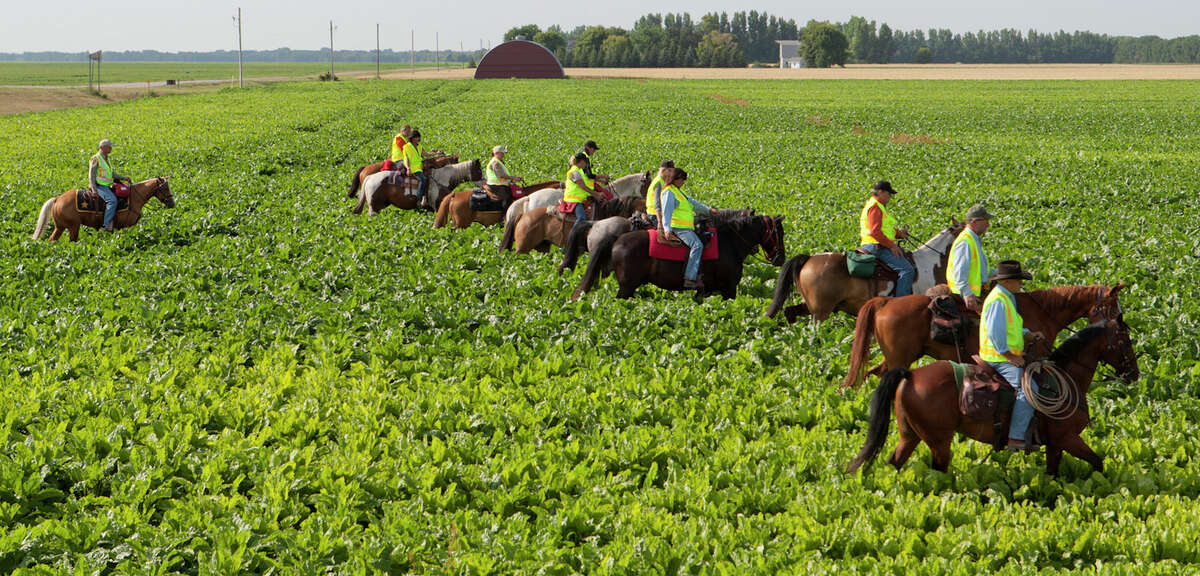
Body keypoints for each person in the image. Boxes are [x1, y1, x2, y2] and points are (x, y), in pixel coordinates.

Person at [979, 260, 1043, 451]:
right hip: (998, 357)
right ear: (1007, 282)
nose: (1021, 284)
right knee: (1029, 389)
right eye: (1018, 280)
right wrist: (1009, 356)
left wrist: (1028, 334)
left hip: (1005, 354)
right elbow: (995, 333)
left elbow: (1010, 326)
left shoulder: (1006, 297)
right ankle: (1016, 438)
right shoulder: (998, 300)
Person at [858, 180, 914, 296]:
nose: (890, 197)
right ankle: (901, 303)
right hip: (876, 246)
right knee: (907, 270)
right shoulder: (875, 207)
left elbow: (884, 229)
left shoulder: (878, 206)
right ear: (880, 192)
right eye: (889, 194)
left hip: (877, 244)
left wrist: (898, 234)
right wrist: (891, 245)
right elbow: (875, 232)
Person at [661, 169, 712, 290]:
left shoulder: (678, 191)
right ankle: (690, 278)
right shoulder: (669, 192)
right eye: (682, 179)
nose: (684, 182)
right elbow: (666, 212)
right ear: (675, 179)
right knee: (697, 245)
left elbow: (693, 203)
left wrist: (709, 210)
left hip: (686, 227)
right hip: (679, 228)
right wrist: (667, 230)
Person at [947, 204, 996, 311]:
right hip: (965, 295)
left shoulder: (973, 239)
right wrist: (967, 294)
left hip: (975, 291)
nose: (988, 224)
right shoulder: (965, 242)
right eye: (985, 220)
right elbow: (960, 271)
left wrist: (1000, 273)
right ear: (974, 222)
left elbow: (980, 267)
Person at [89, 139, 131, 233]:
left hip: (107, 186)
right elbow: (91, 175)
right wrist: (94, 189)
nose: (111, 149)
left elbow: (111, 174)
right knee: (112, 201)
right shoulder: (96, 158)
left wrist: (124, 178)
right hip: (100, 186)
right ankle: (106, 226)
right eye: (109, 147)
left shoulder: (106, 159)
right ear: (103, 147)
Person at [564, 152, 605, 245]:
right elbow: (583, 186)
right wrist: (596, 194)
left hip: (581, 199)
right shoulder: (574, 172)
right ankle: (572, 238)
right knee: (581, 218)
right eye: (585, 162)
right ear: (581, 162)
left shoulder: (579, 171)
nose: (586, 164)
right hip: (573, 200)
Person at [485, 145, 523, 213]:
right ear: (496, 153)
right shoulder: (495, 162)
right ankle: (504, 216)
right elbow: (501, 175)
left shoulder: (499, 161)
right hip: (495, 185)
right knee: (507, 198)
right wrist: (514, 178)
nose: (503, 155)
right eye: (502, 153)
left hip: (500, 184)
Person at [401, 130, 431, 208]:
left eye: (418, 137)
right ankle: (419, 200)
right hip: (413, 168)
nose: (418, 139)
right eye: (416, 137)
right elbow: (406, 158)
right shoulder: (407, 147)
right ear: (412, 138)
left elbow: (426, 154)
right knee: (423, 179)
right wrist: (408, 168)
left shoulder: (419, 146)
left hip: (419, 168)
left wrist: (437, 153)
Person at [644, 160, 675, 233]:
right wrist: (660, 221)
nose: (671, 173)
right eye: (669, 171)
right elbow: (657, 202)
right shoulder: (658, 182)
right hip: (654, 214)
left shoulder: (661, 180)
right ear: (664, 170)